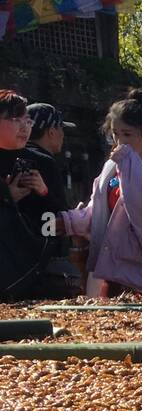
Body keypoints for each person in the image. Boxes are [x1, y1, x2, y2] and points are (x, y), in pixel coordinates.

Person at [57, 90, 142, 298]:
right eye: (115, 134)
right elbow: (98, 212)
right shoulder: (113, 167)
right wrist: (67, 221)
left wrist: (128, 162)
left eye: (127, 134)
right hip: (116, 271)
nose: (119, 143)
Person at [17, 103, 80, 297]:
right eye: (61, 129)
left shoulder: (14, 155)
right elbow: (53, 215)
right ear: (51, 131)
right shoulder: (45, 161)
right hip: (42, 258)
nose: (63, 135)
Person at [0, 89, 47, 299]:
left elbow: (56, 222)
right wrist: (6, 197)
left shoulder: (41, 160)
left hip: (29, 270)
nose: (23, 127)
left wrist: (44, 192)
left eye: (27, 120)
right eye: (14, 118)